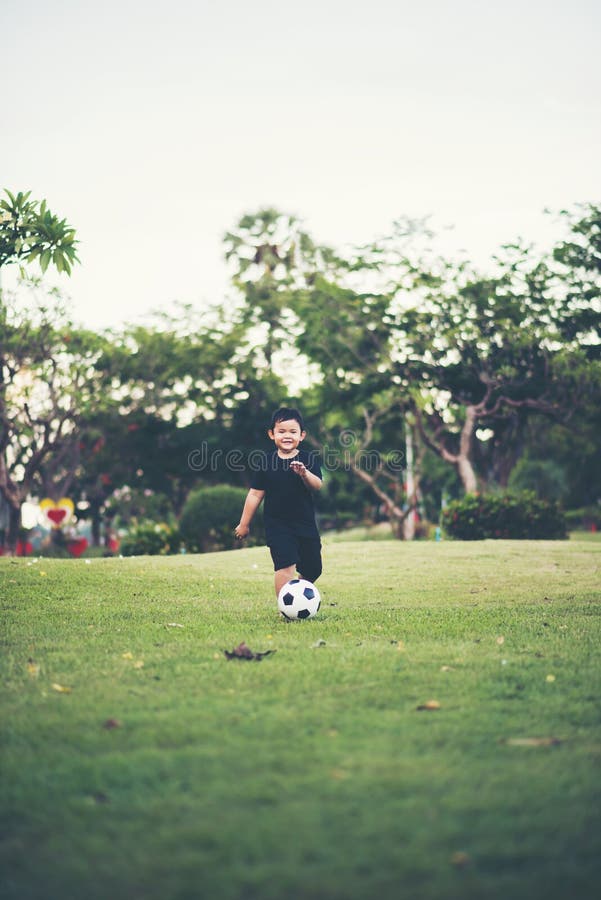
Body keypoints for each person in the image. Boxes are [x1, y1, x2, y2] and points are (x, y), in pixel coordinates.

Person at [234, 406, 323, 597]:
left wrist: (304, 473)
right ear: (271, 434)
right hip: (277, 525)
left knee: (314, 568)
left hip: (305, 524)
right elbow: (255, 495)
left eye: (293, 431)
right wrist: (244, 524)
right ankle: (285, 606)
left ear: (302, 435)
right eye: (281, 431)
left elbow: (317, 485)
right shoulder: (266, 462)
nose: (287, 435)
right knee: (285, 566)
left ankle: (298, 595)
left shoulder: (308, 458)